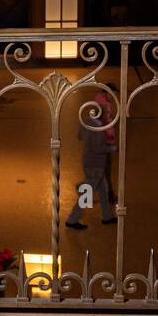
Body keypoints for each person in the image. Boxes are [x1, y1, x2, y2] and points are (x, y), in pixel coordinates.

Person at [66, 91, 118, 229]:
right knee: (87, 195)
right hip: (96, 165)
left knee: (103, 191)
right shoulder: (99, 128)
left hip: (88, 161)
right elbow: (97, 149)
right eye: (106, 114)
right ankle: (72, 219)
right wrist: (111, 148)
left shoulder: (86, 122)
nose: (108, 117)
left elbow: (79, 136)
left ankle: (107, 217)